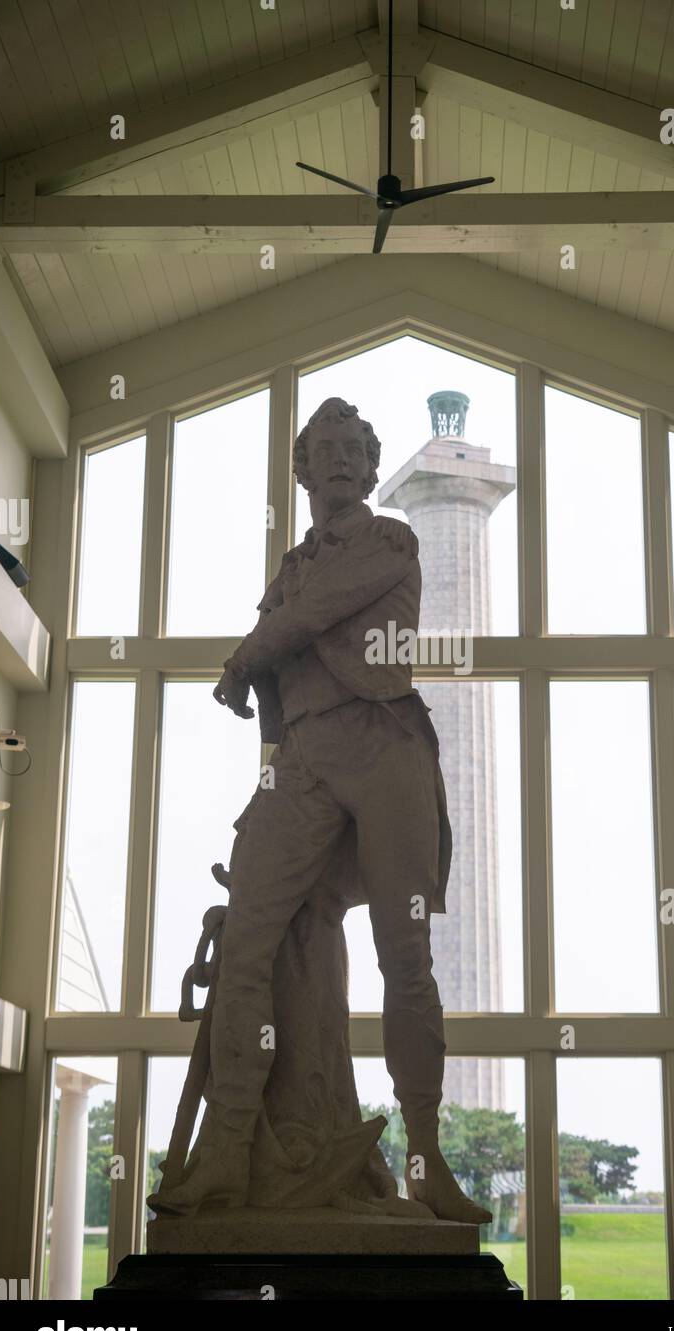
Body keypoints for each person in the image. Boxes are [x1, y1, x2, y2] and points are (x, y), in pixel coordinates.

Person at [158, 397, 491, 1225]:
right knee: (245, 944)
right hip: (301, 759)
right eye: (325, 450)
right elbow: (287, 634)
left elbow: (309, 619)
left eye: (354, 450)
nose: (341, 460)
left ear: (373, 470)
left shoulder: (387, 540)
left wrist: (239, 659)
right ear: (302, 470)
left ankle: (426, 1160)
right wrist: (254, 671)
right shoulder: (290, 561)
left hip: (384, 746)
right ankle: (229, 1151)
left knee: (404, 957)